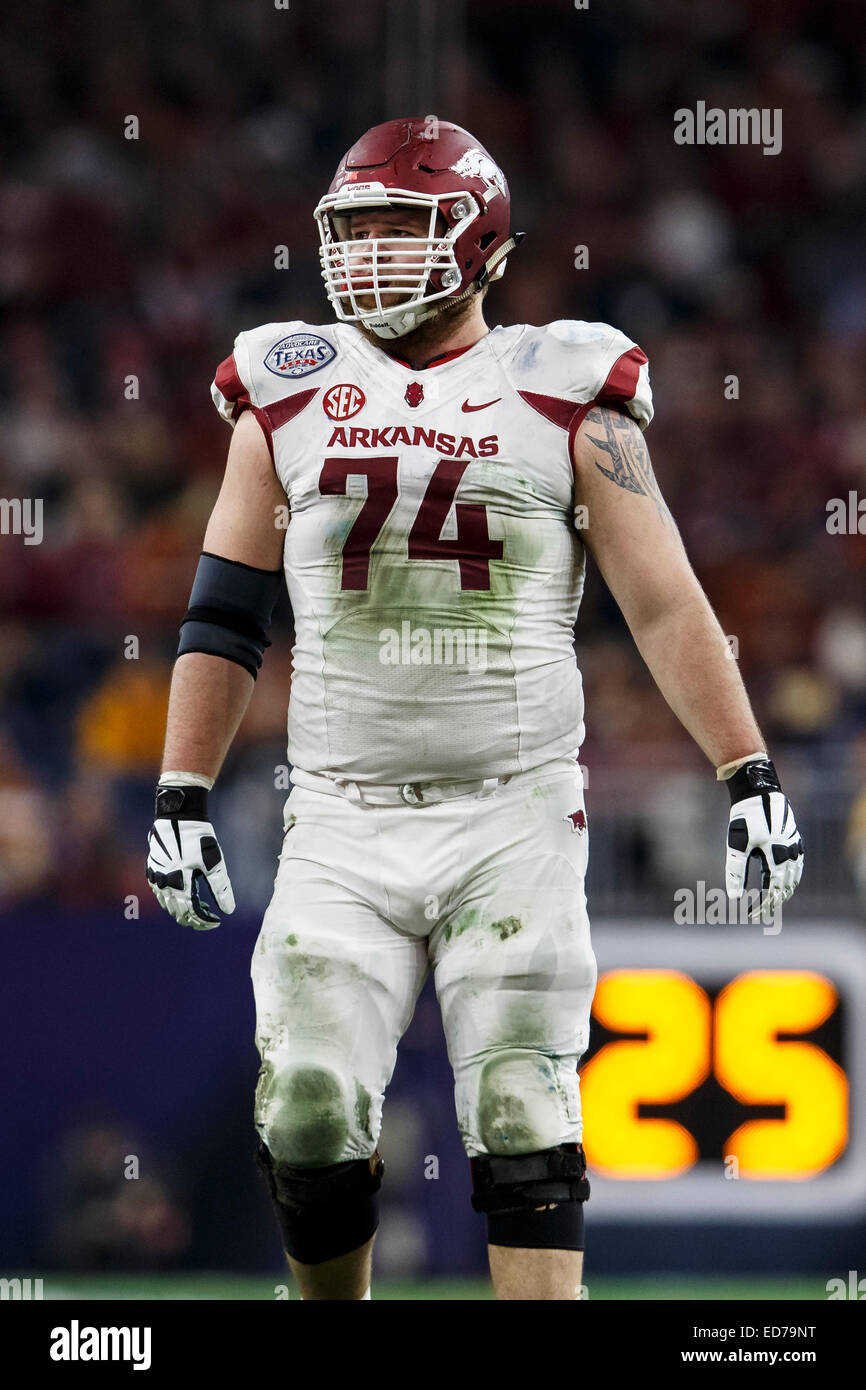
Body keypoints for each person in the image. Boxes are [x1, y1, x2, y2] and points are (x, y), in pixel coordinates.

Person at [146, 118, 804, 1300]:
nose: (373, 252)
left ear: (480, 233)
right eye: (355, 228)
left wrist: (745, 771)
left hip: (513, 810)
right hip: (340, 814)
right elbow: (223, 612)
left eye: (402, 222)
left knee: (519, 1099)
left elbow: (662, 603)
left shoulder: (563, 385)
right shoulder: (289, 387)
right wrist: (182, 789)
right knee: (304, 1105)